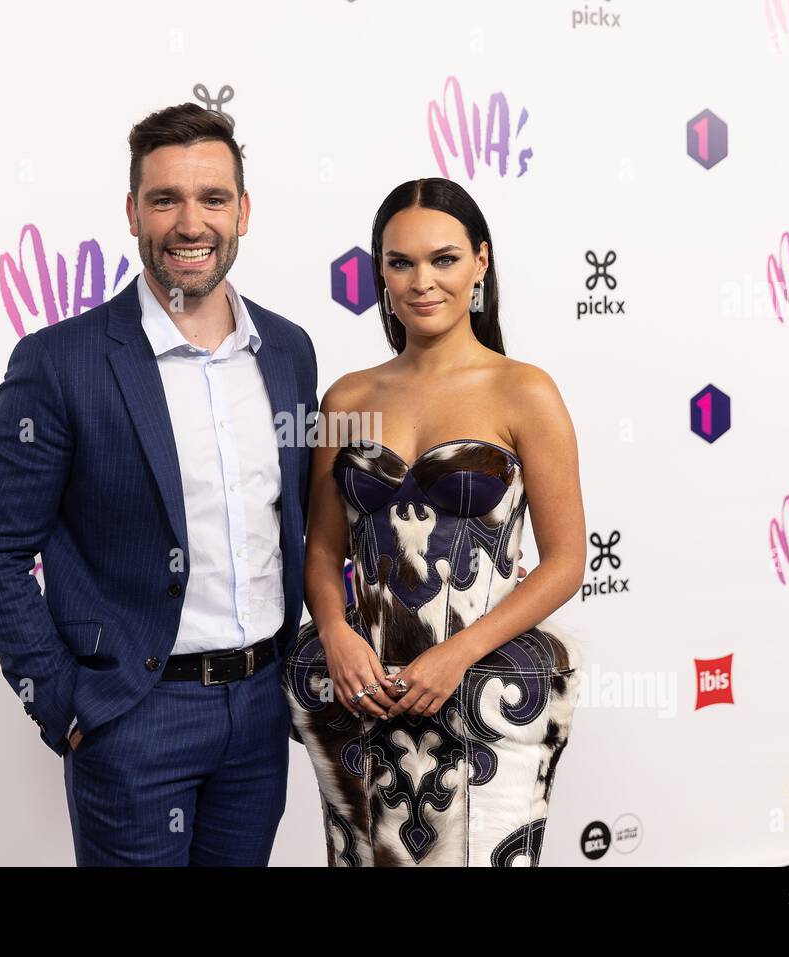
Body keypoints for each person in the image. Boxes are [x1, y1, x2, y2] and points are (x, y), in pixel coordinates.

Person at [0, 103, 318, 866]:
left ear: (244, 211)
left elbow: (298, 522)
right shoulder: (62, 362)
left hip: (259, 714)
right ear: (132, 212)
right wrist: (68, 703)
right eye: (166, 200)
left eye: (213, 199)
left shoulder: (287, 351)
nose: (192, 223)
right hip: (135, 718)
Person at [282, 177, 586, 867]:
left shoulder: (524, 390)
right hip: (362, 691)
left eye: (443, 259)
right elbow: (322, 548)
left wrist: (459, 652)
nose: (422, 281)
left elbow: (566, 559)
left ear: (481, 261)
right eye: (401, 262)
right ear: (380, 273)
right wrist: (334, 633)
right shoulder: (348, 395)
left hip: (486, 687)